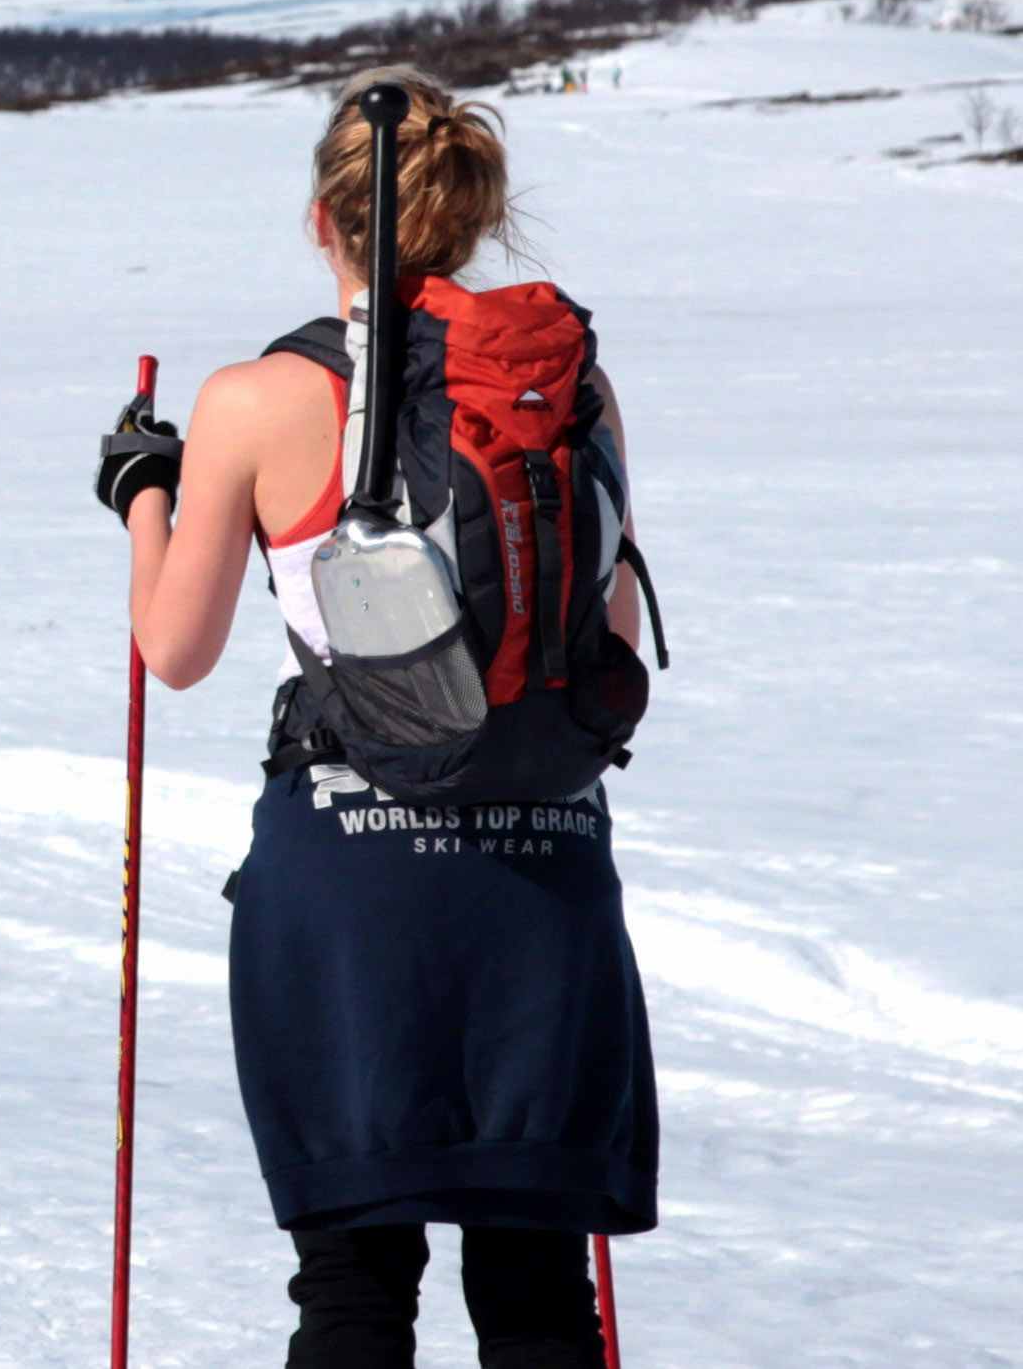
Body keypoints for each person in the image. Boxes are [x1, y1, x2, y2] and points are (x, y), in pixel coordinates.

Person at [109, 70, 655, 1369]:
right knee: (539, 1294)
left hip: (351, 874)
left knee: (353, 1290)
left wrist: (145, 492)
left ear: (324, 221)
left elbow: (175, 651)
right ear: (472, 221)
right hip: (546, 873)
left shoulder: (257, 399)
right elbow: (615, 633)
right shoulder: (569, 387)